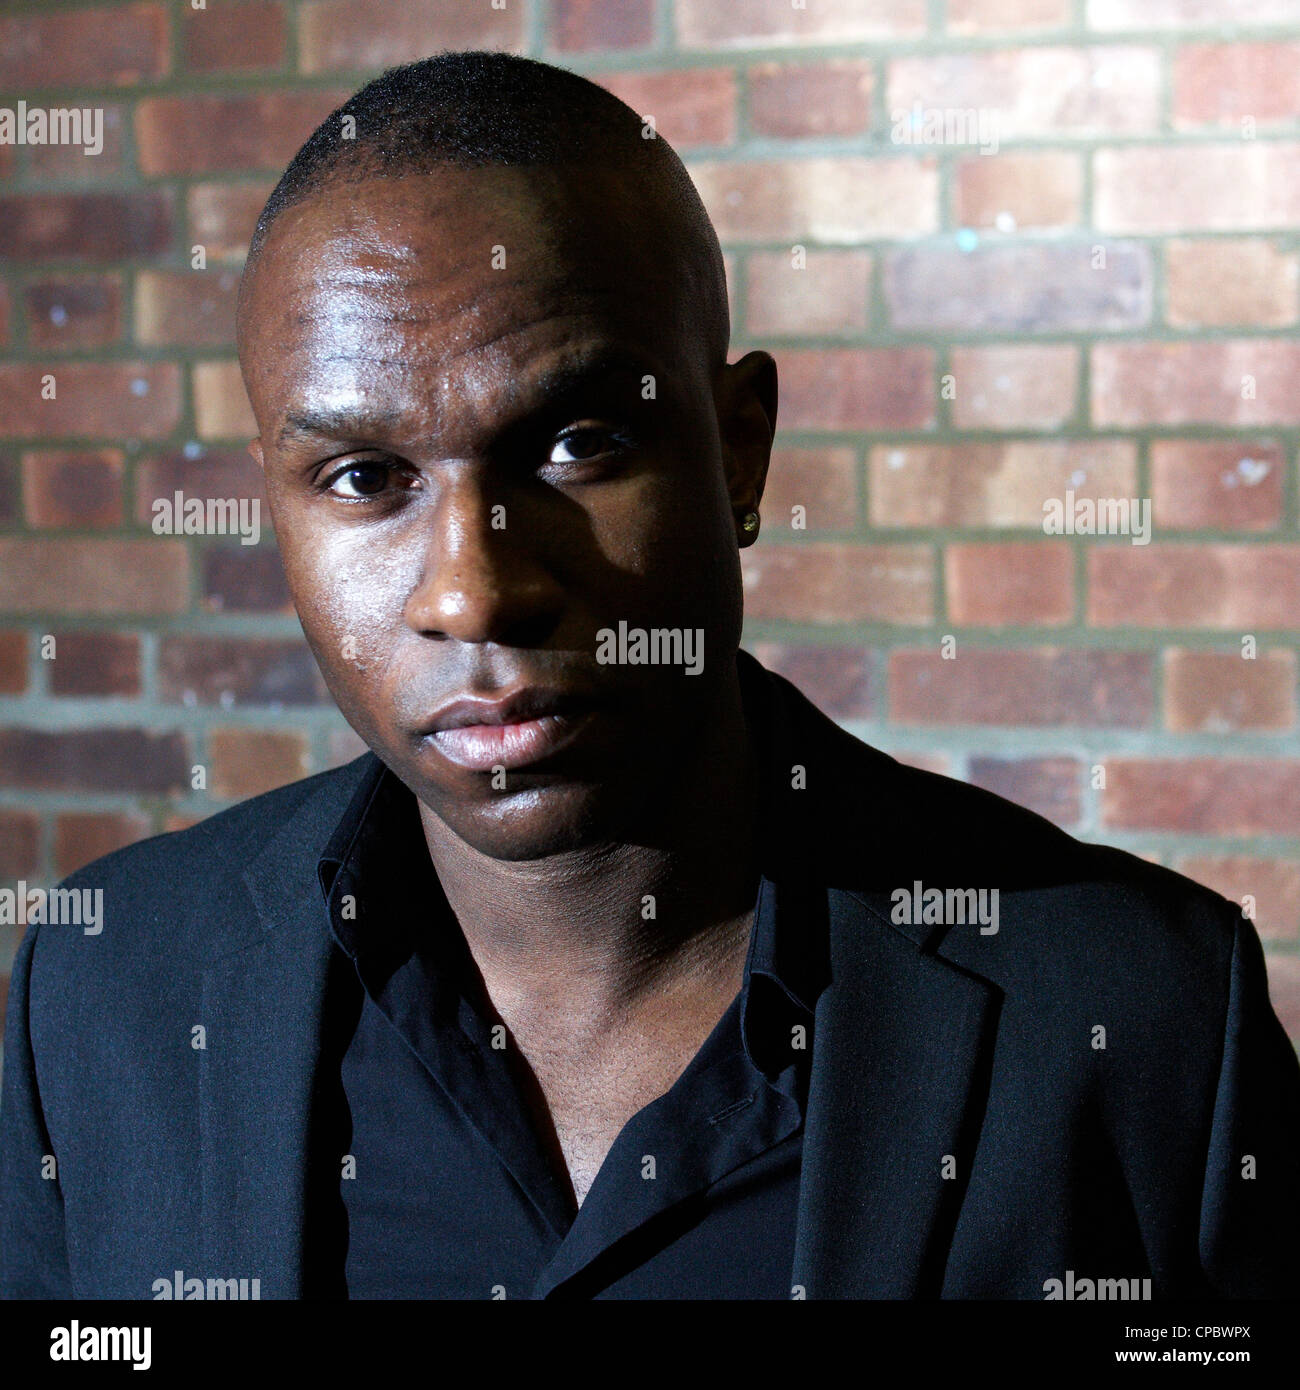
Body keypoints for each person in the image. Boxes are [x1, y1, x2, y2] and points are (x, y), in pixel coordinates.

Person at [2, 51, 1297, 1301]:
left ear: (740, 452)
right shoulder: (106, 1001)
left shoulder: (1146, 1016)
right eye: (364, 477)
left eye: (575, 443)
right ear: (275, 509)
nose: (475, 586)